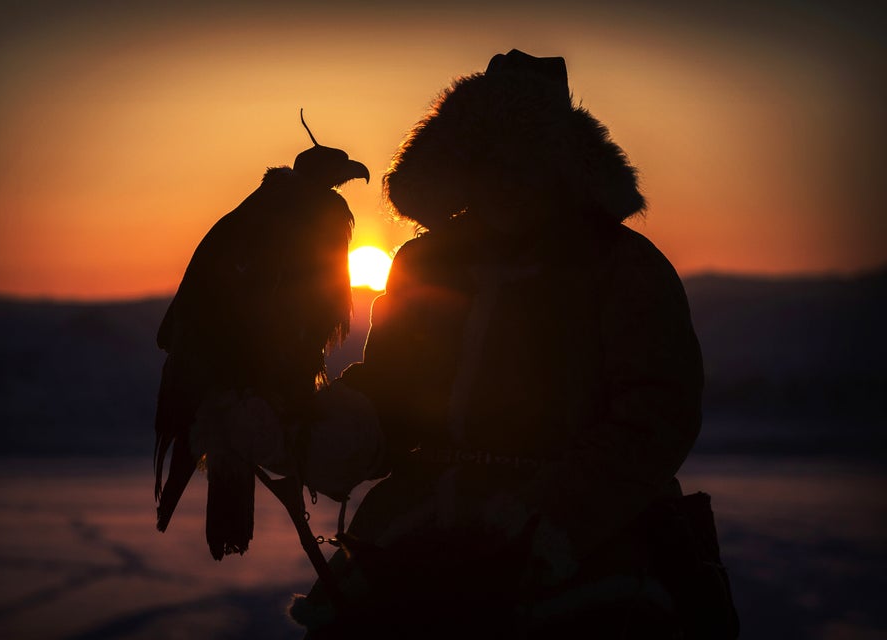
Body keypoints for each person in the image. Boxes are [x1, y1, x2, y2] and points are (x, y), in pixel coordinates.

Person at [288, 49, 738, 639]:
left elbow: (656, 416)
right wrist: (325, 430)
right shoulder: (424, 262)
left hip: (581, 543)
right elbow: (395, 396)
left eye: (524, 154)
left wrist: (555, 518)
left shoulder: (623, 265)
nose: (503, 173)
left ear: (560, 161)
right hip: (417, 530)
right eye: (485, 152)